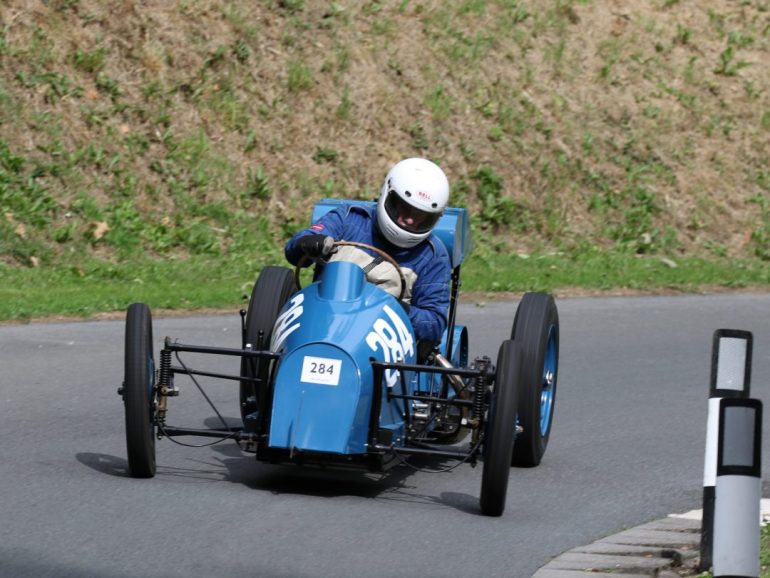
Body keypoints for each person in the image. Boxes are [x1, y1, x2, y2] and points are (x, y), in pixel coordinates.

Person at [284, 157, 451, 345]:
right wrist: (307, 243)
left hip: (382, 346)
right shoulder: (348, 219)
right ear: (388, 196)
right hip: (323, 322)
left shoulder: (433, 256)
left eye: (420, 215)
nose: (410, 220)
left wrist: (398, 310)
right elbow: (295, 249)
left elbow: (434, 324)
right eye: (404, 208)